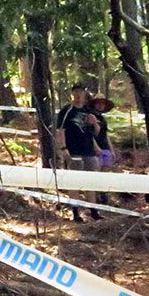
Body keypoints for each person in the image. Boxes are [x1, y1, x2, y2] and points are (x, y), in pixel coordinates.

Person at [55, 82, 102, 222]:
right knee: (74, 182)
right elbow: (60, 131)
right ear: (72, 94)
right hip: (74, 151)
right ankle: (75, 212)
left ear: (84, 94)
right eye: (75, 92)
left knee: (91, 182)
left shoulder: (88, 110)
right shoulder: (66, 111)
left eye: (80, 92)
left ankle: (93, 211)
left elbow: (96, 132)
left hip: (89, 151)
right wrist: (63, 148)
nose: (78, 95)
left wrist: (94, 123)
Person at [87, 94, 115, 204]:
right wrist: (96, 147)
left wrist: (111, 150)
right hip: (96, 149)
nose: (100, 105)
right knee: (96, 172)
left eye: (102, 103)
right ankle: (95, 196)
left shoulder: (103, 119)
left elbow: (105, 134)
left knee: (105, 172)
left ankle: (103, 193)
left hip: (105, 148)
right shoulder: (90, 117)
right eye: (98, 103)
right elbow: (90, 134)